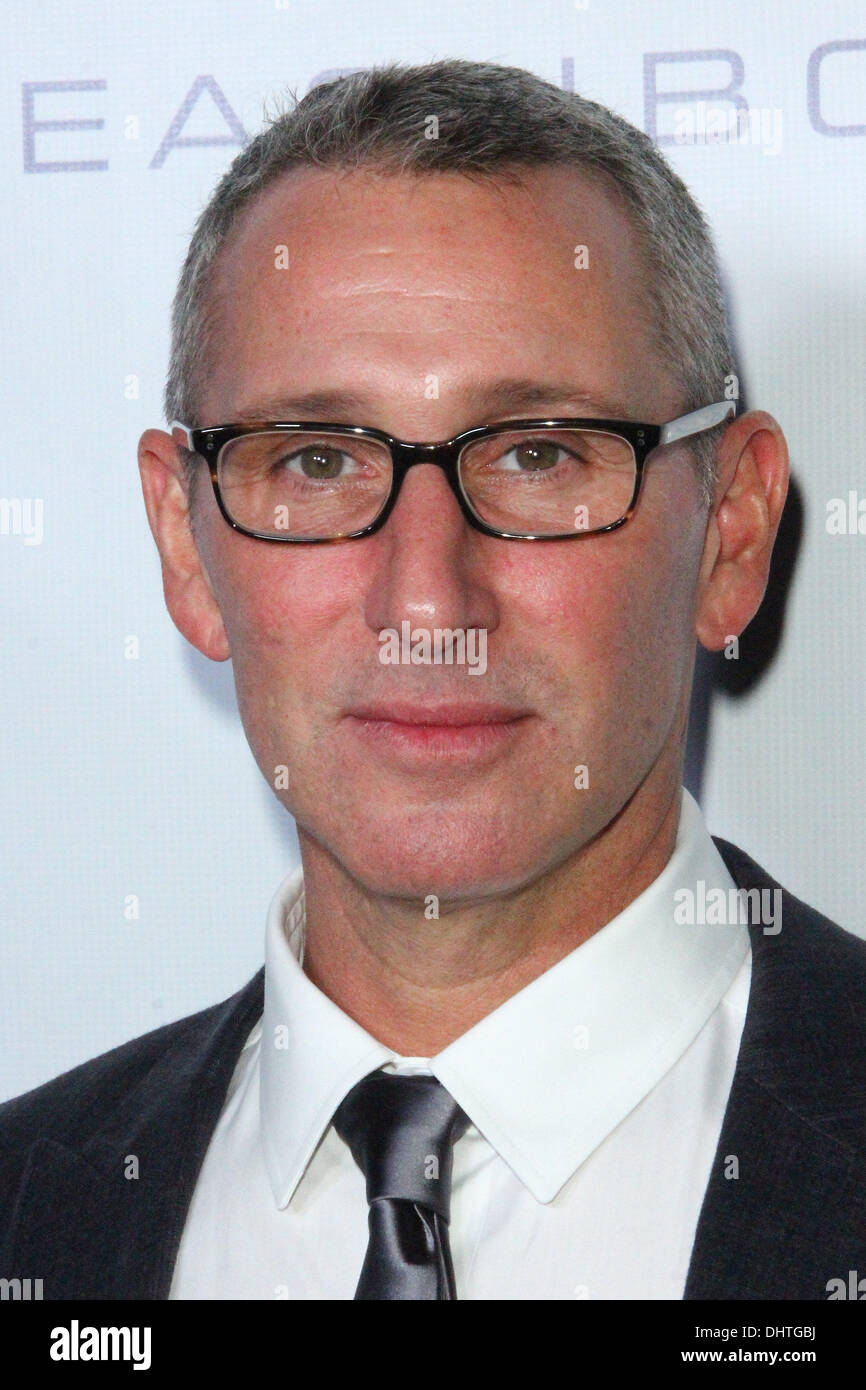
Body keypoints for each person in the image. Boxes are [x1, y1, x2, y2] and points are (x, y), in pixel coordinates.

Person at [2, 59, 864, 1302]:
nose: (425, 600)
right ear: (186, 546)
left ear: (729, 530)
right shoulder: (29, 1213)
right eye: (312, 460)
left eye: (534, 451)